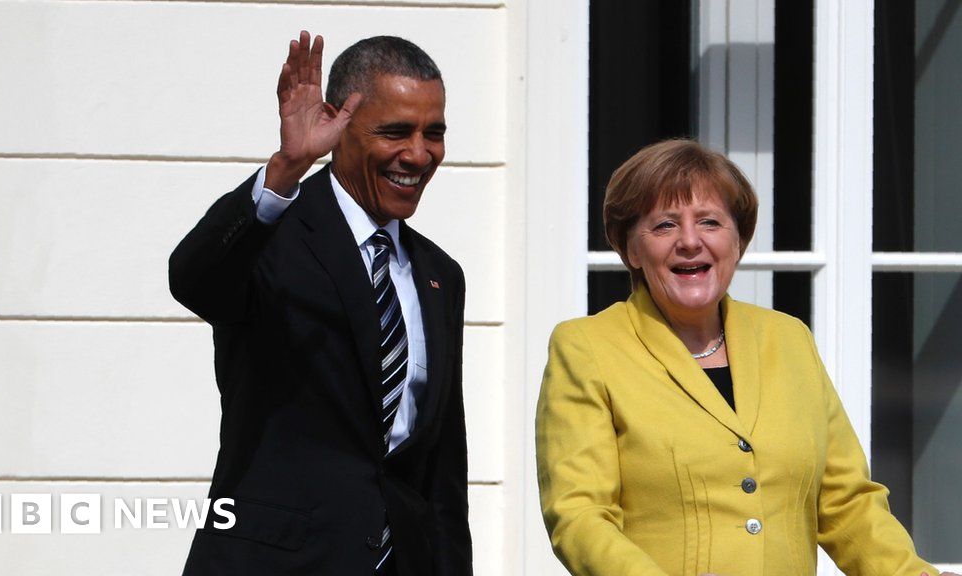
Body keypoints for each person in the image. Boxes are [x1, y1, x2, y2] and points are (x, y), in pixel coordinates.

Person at [535, 139, 954, 576]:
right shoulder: (587, 347)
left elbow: (845, 502)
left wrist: (908, 572)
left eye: (710, 222)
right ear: (632, 249)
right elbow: (580, 515)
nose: (690, 241)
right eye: (664, 226)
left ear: (739, 240)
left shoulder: (789, 339)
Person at [169, 31, 471, 576]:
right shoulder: (273, 235)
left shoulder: (439, 276)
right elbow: (193, 279)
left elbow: (441, 466)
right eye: (396, 132)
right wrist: (286, 167)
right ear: (338, 124)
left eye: (435, 133)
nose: (419, 154)